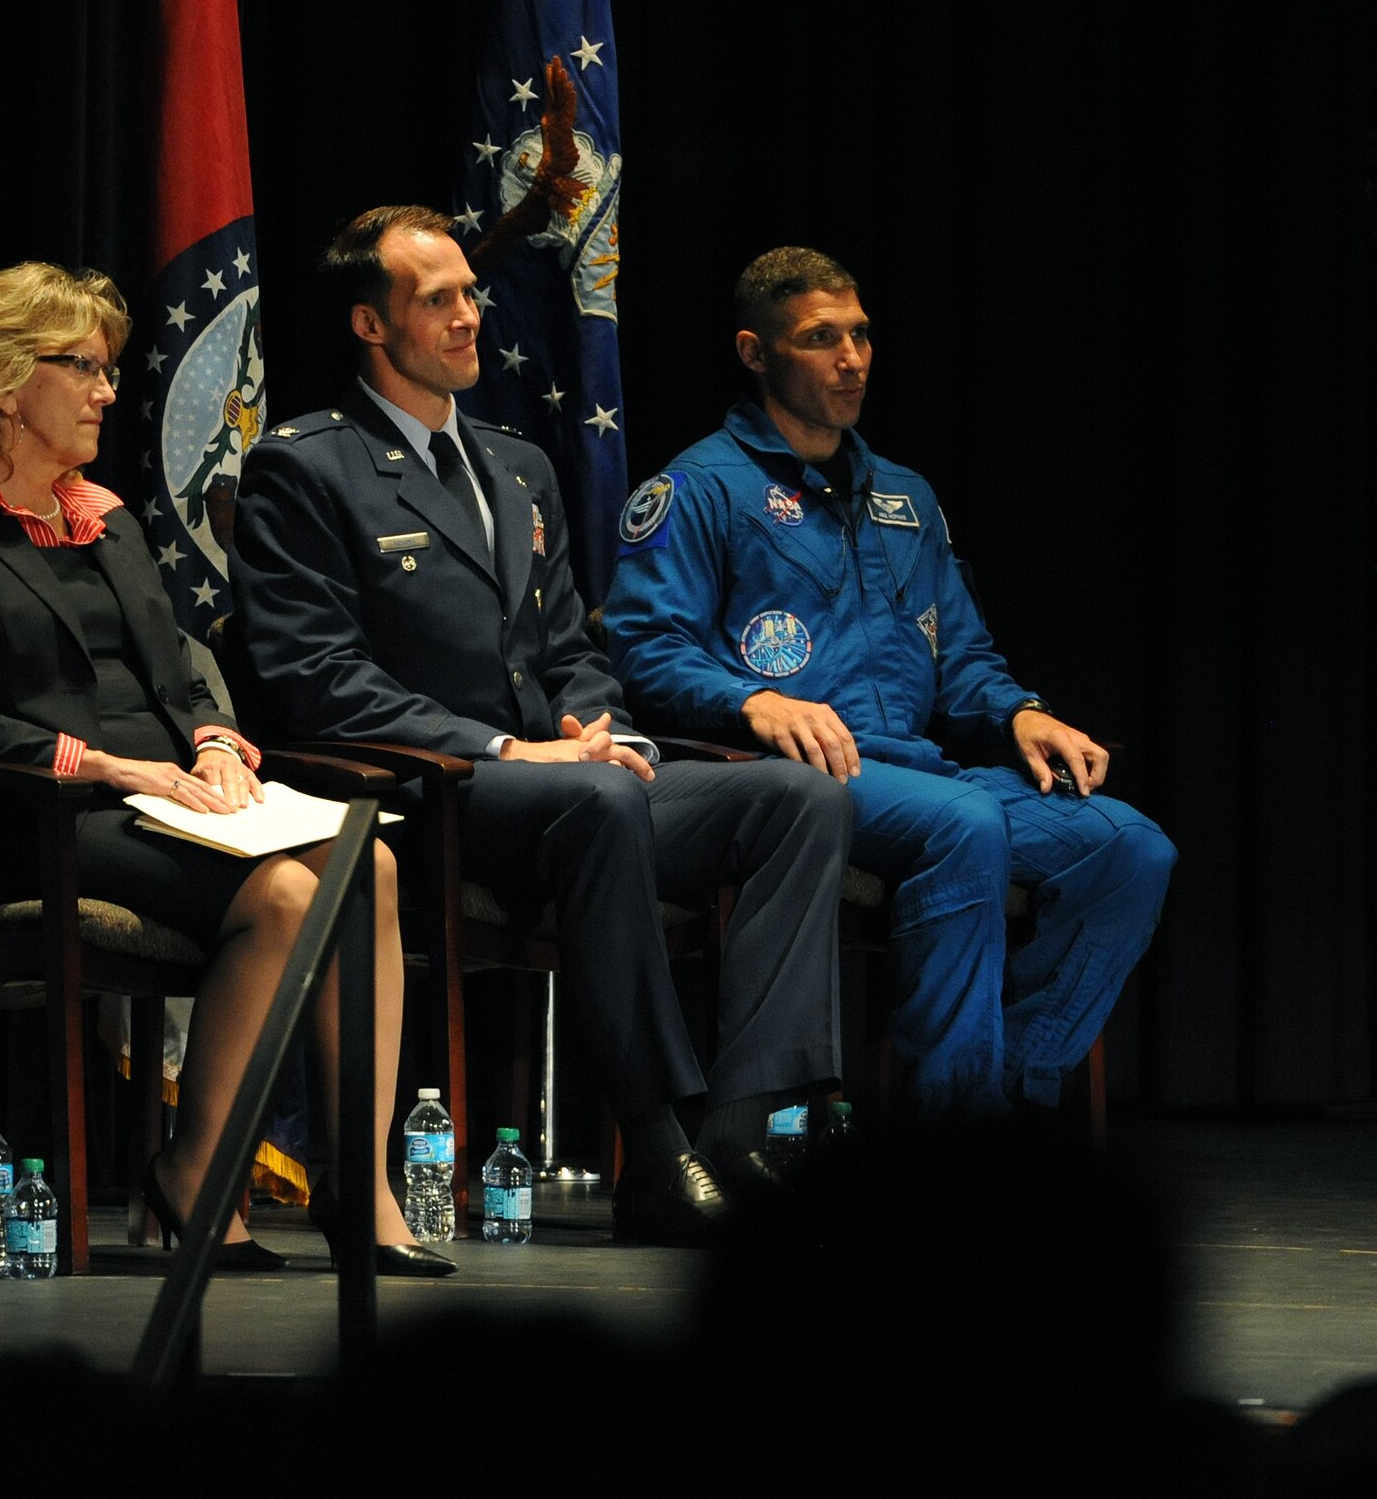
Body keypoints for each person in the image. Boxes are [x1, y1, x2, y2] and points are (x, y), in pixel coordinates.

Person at [227, 207, 854, 1243]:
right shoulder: (307, 465)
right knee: (597, 796)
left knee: (800, 797)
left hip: (568, 788)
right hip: (417, 795)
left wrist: (606, 729)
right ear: (370, 326)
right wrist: (514, 749)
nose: (471, 315)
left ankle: (740, 1127)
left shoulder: (516, 464)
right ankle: (656, 1147)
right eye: (438, 300)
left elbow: (566, 648)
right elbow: (315, 680)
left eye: (471, 293)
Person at [0, 261, 454, 1275]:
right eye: (83, 367)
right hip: (22, 815)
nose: (105, 389)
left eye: (108, 368)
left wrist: (213, 741)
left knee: (373, 865)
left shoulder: (106, 516)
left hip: (155, 802)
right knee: (279, 895)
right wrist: (110, 766)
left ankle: (362, 1178)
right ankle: (197, 1168)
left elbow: (179, 670)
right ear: (5, 380)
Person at [604, 246, 1176, 1115]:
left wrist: (1019, 712)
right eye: (821, 338)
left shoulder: (903, 496)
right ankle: (955, 1123)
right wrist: (753, 699)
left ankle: (1012, 1088)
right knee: (969, 824)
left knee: (1131, 849)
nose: (852, 360)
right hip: (805, 778)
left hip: (924, 768)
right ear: (756, 353)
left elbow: (964, 658)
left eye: (862, 335)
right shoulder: (699, 488)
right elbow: (646, 647)